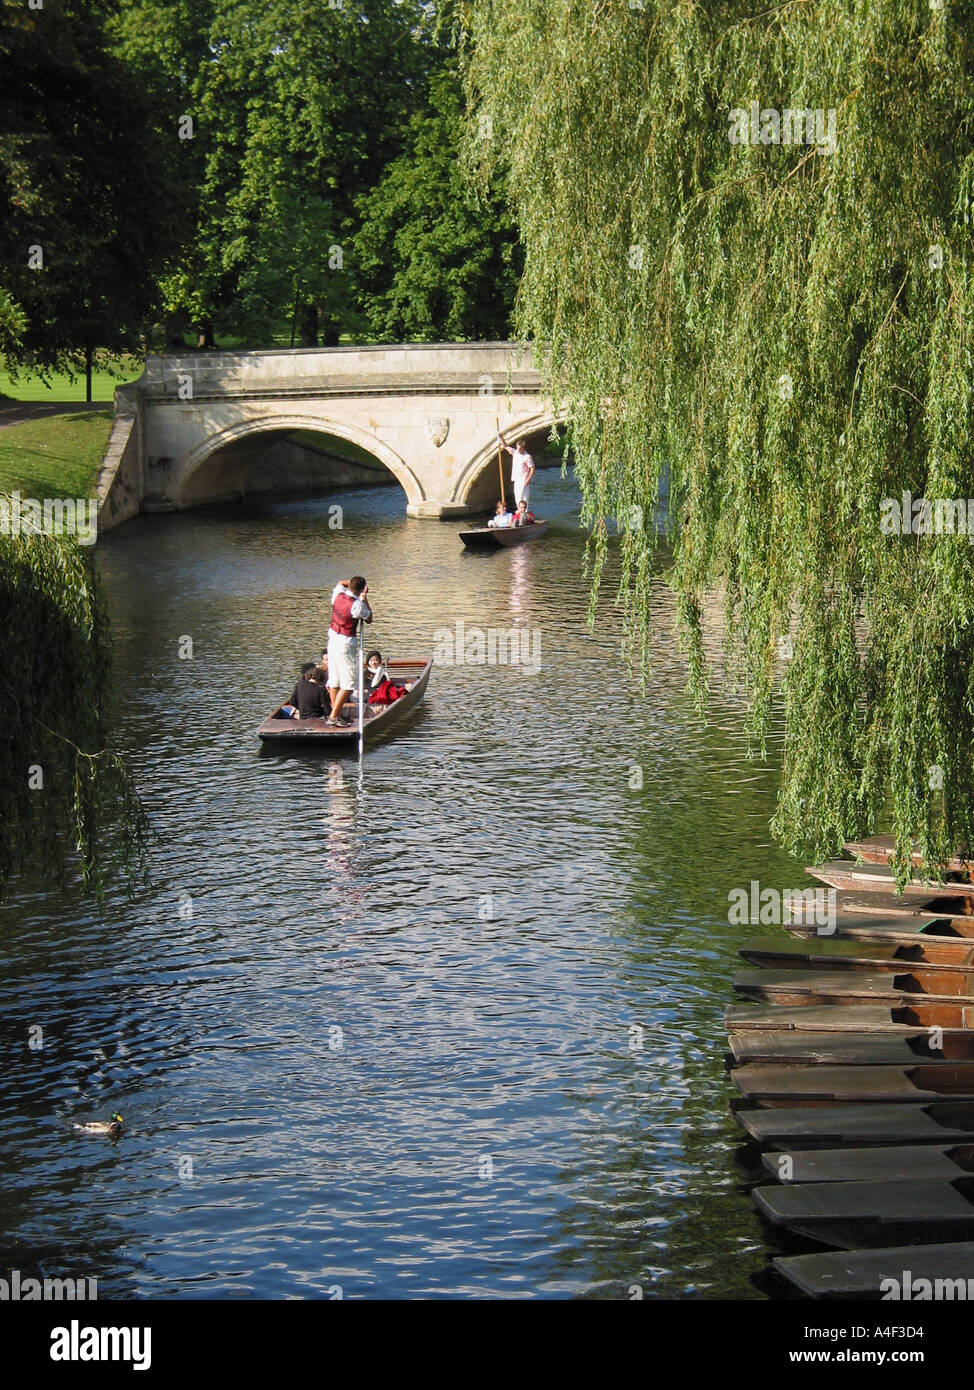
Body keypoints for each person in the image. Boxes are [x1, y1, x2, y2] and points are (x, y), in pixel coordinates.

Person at [326, 576, 372, 725]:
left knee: (334, 680)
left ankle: (335, 712)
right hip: (345, 644)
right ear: (361, 590)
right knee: (349, 684)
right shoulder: (357, 605)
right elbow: (369, 618)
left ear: (349, 586)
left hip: (332, 642)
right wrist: (364, 598)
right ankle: (333, 716)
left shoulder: (337, 593)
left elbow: (340, 582)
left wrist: (354, 585)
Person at [498, 433, 535, 508]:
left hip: (523, 478)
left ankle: (524, 512)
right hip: (516, 478)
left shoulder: (527, 456)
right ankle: (519, 511)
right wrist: (501, 438)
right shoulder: (515, 453)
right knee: (517, 495)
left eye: (519, 449)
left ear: (523, 448)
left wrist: (529, 479)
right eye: (517, 448)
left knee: (523, 496)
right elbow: (506, 446)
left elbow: (532, 468)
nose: (518, 450)